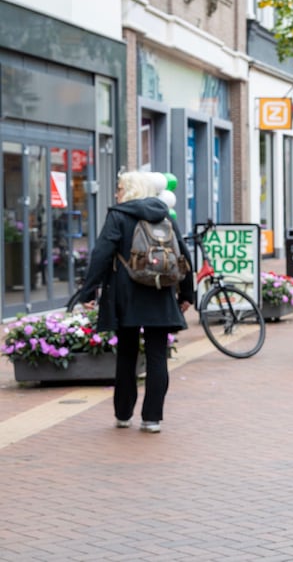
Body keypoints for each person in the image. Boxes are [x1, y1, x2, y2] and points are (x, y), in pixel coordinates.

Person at [76, 171, 195, 433]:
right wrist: (187, 294)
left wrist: (87, 292)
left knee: (127, 354)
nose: (117, 193)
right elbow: (183, 254)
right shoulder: (163, 214)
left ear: (129, 190)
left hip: (126, 294)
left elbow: (101, 255)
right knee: (157, 356)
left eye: (119, 188)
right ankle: (152, 419)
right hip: (160, 292)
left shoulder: (118, 215)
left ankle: (123, 414)